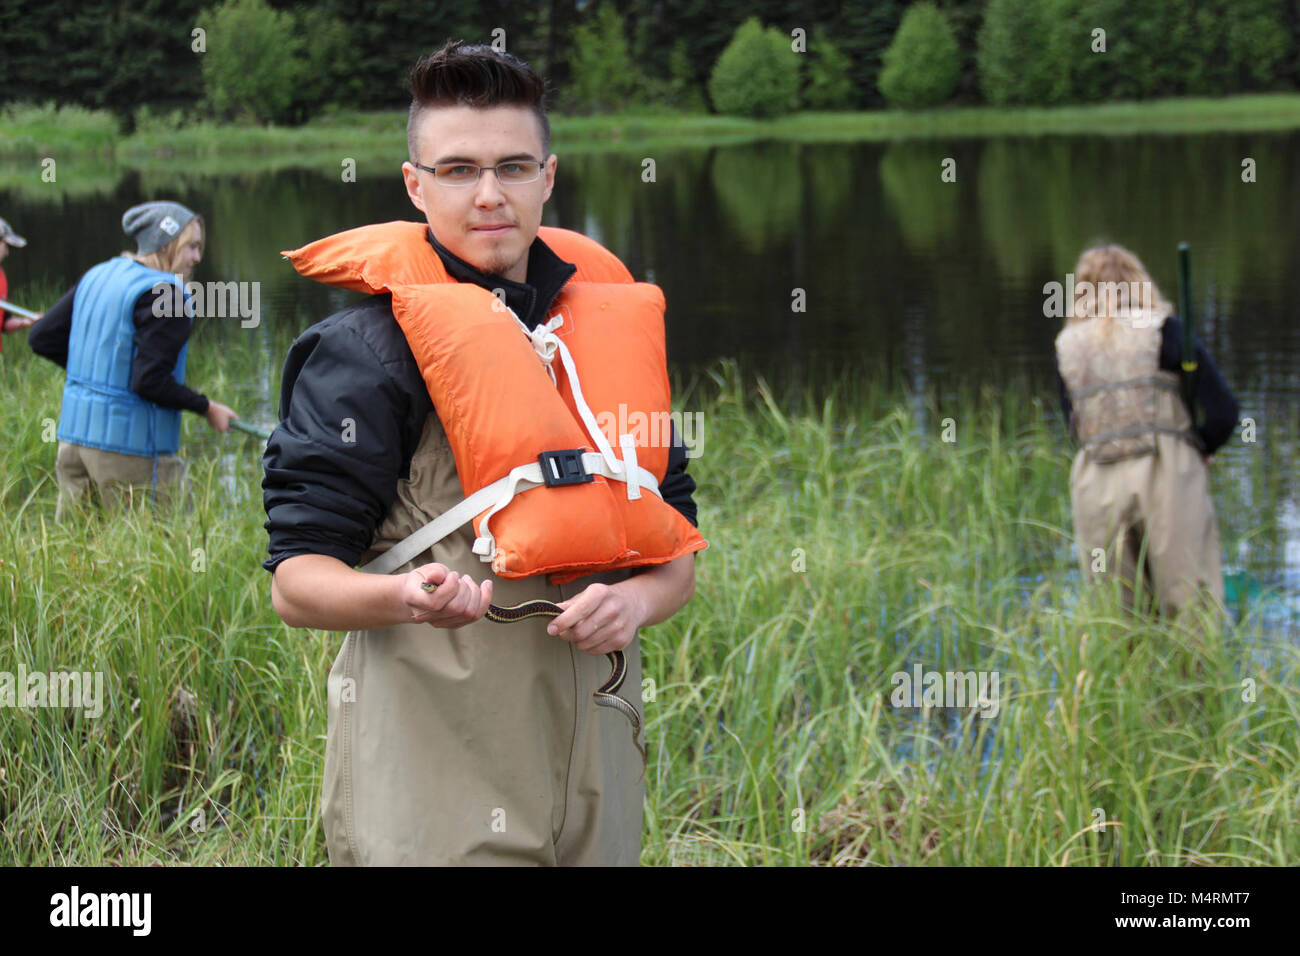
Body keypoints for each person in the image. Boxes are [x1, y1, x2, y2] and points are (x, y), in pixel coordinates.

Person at [262, 41, 705, 866]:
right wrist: (406, 597)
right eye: (459, 169)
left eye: (512, 166)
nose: (490, 195)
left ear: (549, 175)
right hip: (436, 771)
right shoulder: (362, 352)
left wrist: (637, 606)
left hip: (597, 760)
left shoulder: (604, 334)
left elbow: (676, 549)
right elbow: (297, 585)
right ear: (414, 183)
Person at [1055, 244, 1238, 618]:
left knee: (1114, 607)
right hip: (1167, 471)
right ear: (1140, 284)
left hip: (1096, 478)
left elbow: (1073, 425)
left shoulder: (1068, 346)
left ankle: (1124, 677)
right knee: (1188, 600)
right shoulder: (1168, 331)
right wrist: (1199, 446)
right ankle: (1194, 676)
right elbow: (1225, 411)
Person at [28, 201, 239, 518]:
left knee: (81, 552)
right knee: (163, 553)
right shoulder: (168, 295)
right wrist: (207, 407)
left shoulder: (99, 275)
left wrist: (104, 374)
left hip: (73, 445)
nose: (197, 257)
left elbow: (41, 337)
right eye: (192, 247)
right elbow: (149, 382)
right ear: (166, 243)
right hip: (130, 454)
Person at [0, 217, 36, 348]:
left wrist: (24, 322)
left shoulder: (1, 277)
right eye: (6, 246)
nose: (7, 253)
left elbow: (4, 322)